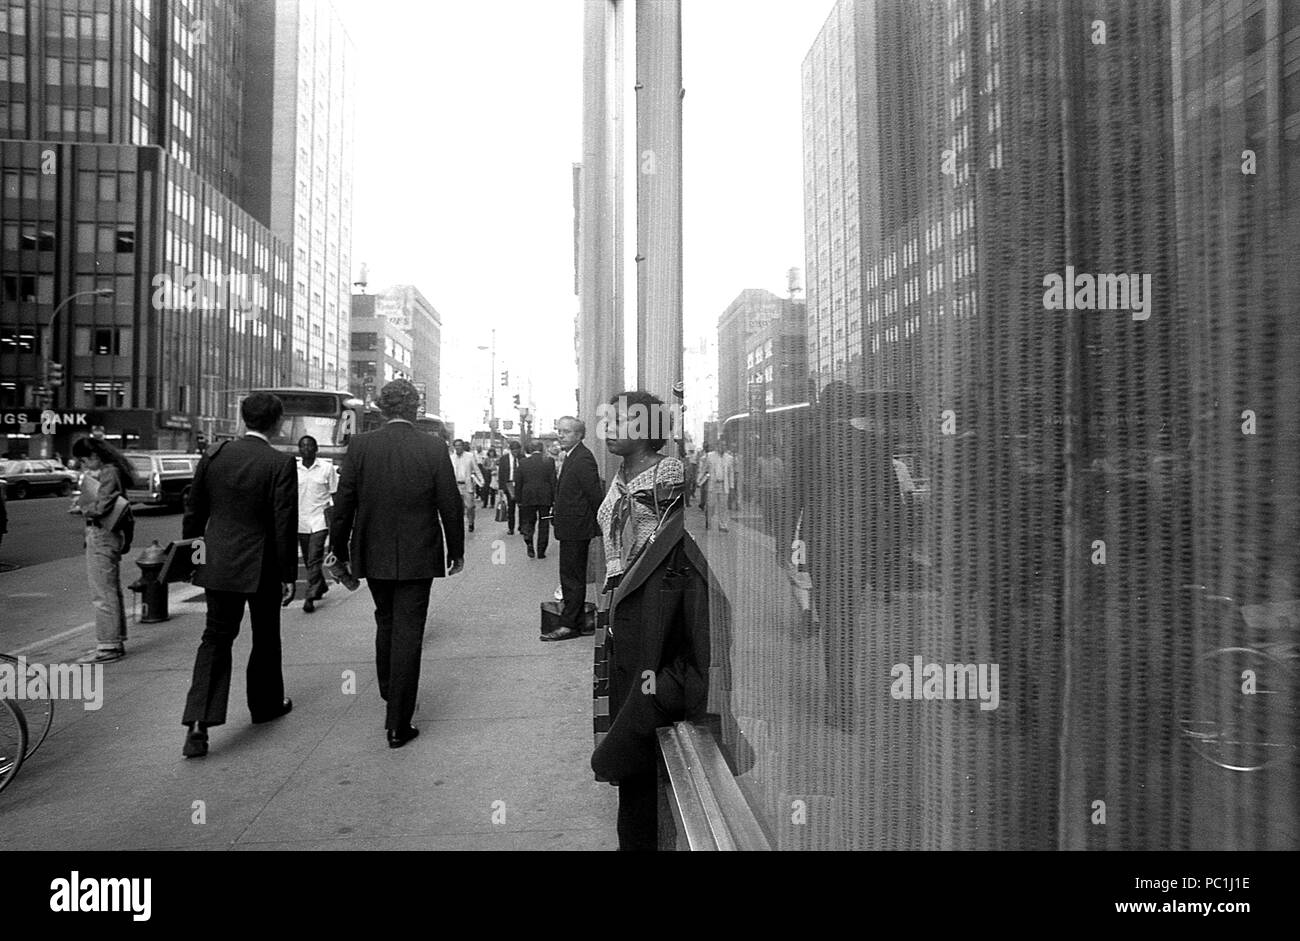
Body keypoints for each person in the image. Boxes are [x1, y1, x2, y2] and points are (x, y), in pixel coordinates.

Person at [589, 390, 718, 850]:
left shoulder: (667, 472)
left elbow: (675, 551)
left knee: (641, 725)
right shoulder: (621, 473)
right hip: (620, 608)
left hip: (653, 614)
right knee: (630, 724)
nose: (609, 429)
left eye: (621, 421)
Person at [329, 379, 465, 748]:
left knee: (386, 621)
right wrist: (456, 550)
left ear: (382, 407)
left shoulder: (360, 446)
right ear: (414, 408)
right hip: (420, 552)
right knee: (409, 631)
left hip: (373, 553)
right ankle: (398, 722)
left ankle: (391, 693)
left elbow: (343, 505)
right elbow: (449, 503)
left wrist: (338, 551)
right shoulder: (433, 447)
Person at [180, 392, 298, 758]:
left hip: (217, 563)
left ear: (242, 418)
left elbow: (194, 514)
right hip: (261, 564)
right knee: (265, 636)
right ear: (278, 422)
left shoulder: (214, 455)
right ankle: (264, 706)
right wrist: (287, 574)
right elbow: (283, 524)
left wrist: (196, 559)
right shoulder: (279, 463)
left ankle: (198, 724)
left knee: (215, 638)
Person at [71, 436, 136, 664]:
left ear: (95, 456)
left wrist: (82, 508)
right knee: (109, 590)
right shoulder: (114, 470)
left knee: (102, 593)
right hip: (109, 535)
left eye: (84, 460)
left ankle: (108, 646)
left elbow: (102, 506)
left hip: (102, 534)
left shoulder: (109, 472)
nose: (84, 465)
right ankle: (113, 641)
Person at [541, 416, 605, 642]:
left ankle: (569, 625)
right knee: (570, 575)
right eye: (559, 431)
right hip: (570, 526)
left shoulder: (583, 458)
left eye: (566, 432)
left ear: (579, 435)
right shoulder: (571, 456)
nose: (560, 435)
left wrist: (600, 523)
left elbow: (594, 495)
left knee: (572, 577)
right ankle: (574, 620)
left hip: (577, 528)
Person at [295, 435, 338, 613]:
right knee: (308, 558)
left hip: (319, 520)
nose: (306, 449)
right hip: (300, 521)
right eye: (303, 446)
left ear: (316, 449)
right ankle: (320, 586)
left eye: (310, 446)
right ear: (299, 450)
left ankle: (310, 596)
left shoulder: (327, 469)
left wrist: (337, 521)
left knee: (314, 557)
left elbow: (335, 494)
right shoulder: (293, 468)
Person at [515, 440, 555, 559]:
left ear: (530, 449)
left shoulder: (523, 462)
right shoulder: (549, 462)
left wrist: (519, 499)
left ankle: (529, 541)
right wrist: (554, 498)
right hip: (545, 498)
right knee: (544, 522)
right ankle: (541, 550)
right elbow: (553, 481)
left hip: (528, 497)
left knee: (529, 521)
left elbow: (519, 482)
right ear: (542, 449)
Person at [449, 439, 484, 533]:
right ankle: (459, 524)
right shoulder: (451, 458)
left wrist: (481, 480)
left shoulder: (470, 456)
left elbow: (476, 469)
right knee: (457, 507)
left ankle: (471, 522)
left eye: (459, 445)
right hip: (456, 486)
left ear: (463, 446)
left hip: (467, 485)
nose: (458, 447)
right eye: (456, 445)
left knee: (470, 506)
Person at [699, 439, 733, 532]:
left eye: (724, 445)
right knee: (711, 505)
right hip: (712, 484)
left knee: (723, 506)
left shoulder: (729, 458)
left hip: (723, 485)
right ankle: (709, 523)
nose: (722, 447)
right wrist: (699, 481)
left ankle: (723, 525)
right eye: (721, 445)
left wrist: (731, 486)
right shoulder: (710, 456)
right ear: (717, 446)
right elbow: (704, 469)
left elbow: (731, 473)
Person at [497, 440, 522, 534]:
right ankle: (511, 528)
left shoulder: (522, 458)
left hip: (520, 485)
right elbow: (501, 473)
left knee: (521, 507)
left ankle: (521, 527)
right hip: (509, 485)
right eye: (514, 451)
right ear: (510, 450)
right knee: (511, 508)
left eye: (517, 450)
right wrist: (501, 488)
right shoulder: (504, 459)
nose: (516, 453)